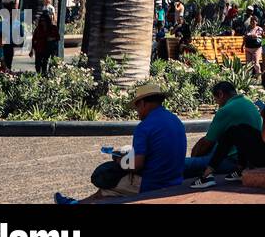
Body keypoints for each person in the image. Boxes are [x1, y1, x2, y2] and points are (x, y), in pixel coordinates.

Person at [56, 82, 186, 203]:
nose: (137, 112)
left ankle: (76, 204)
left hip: (153, 183)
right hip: (174, 179)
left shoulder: (144, 127)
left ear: (143, 103)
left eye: (137, 107)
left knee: (106, 184)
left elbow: (137, 165)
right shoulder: (176, 121)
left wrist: (120, 161)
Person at [193, 66, 265, 187]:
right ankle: (240, 169)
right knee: (241, 129)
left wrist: (264, 117)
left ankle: (207, 174)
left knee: (234, 132)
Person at [184, 81, 262, 179]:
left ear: (220, 94)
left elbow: (207, 142)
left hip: (233, 160)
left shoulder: (226, 110)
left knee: (184, 164)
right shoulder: (248, 103)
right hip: (250, 156)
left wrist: (195, 157)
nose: (217, 103)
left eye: (216, 100)